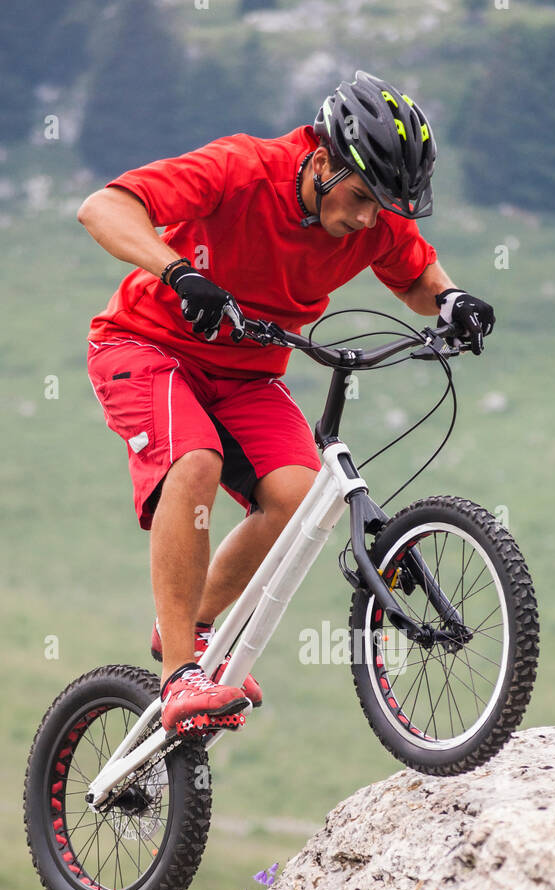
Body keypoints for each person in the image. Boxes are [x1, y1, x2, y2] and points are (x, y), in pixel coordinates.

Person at [77, 69, 494, 738]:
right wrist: (178, 273)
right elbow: (102, 207)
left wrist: (451, 299)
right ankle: (181, 675)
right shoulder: (241, 168)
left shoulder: (374, 218)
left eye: (380, 208)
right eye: (358, 197)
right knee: (196, 461)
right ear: (322, 159)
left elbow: (415, 272)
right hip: (147, 348)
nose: (363, 220)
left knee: (300, 500)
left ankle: (194, 629)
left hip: (245, 376)